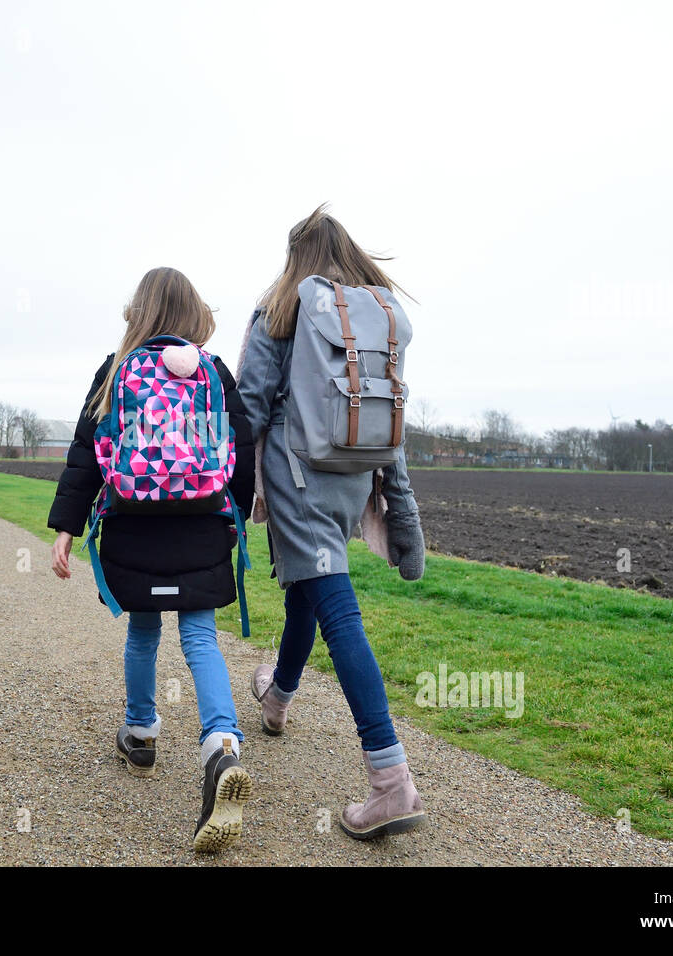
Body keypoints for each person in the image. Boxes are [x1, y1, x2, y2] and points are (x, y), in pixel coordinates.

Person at [47, 266, 257, 853]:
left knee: (143, 634)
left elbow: (86, 451)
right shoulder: (213, 371)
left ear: (139, 313)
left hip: (132, 523)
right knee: (200, 638)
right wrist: (234, 515)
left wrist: (66, 524)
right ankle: (221, 745)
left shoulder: (117, 370)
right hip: (202, 520)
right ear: (193, 314)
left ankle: (140, 731)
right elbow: (239, 447)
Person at [236, 205, 428, 839]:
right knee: (308, 591)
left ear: (296, 256)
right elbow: (392, 430)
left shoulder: (284, 307)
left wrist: (232, 499)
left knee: (335, 606)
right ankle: (278, 698)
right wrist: (401, 515)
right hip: (355, 476)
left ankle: (390, 782)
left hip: (300, 478)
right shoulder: (374, 314)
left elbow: (251, 407)